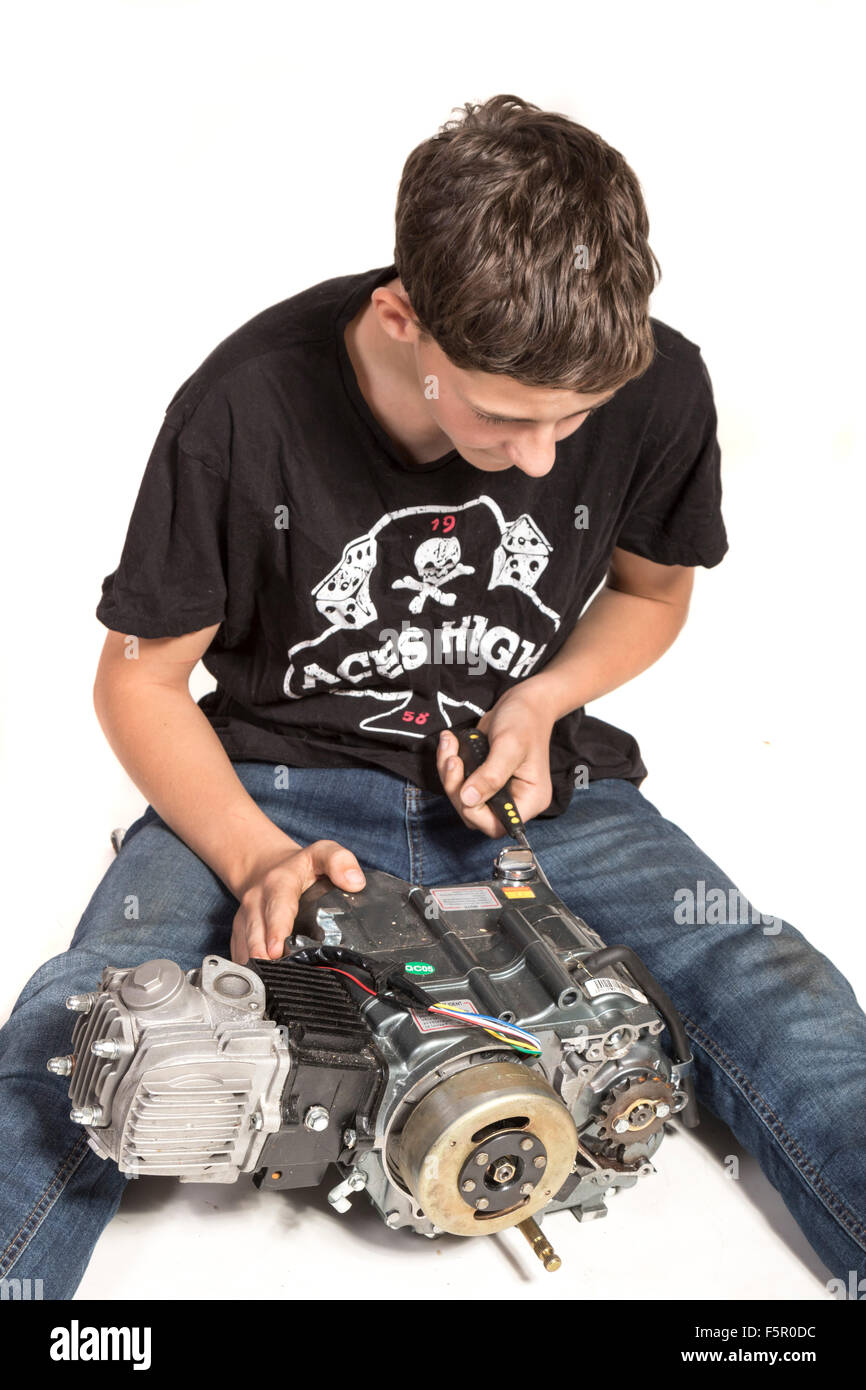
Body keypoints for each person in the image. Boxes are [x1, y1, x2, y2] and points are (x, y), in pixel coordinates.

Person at [1, 94, 863, 1301]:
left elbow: (651, 591)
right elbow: (139, 676)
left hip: (525, 793)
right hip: (269, 782)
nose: (547, 456)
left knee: (767, 972)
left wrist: (544, 698)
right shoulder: (242, 405)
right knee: (77, 1023)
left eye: (578, 418)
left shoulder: (662, 384)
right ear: (402, 319)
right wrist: (253, 858)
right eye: (507, 416)